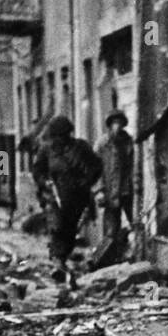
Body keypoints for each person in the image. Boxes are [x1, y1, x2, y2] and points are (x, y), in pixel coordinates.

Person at [31, 115, 102, 282]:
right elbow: (37, 171)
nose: (60, 139)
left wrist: (86, 181)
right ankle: (58, 262)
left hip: (76, 197)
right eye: (57, 136)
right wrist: (45, 182)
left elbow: (96, 166)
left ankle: (62, 259)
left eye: (63, 135)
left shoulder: (81, 147)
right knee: (57, 227)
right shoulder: (46, 150)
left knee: (70, 230)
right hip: (54, 196)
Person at [95, 109, 134, 266]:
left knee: (137, 224)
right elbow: (95, 170)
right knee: (111, 230)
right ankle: (107, 262)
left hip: (127, 191)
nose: (117, 126)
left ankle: (137, 257)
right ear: (110, 125)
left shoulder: (129, 142)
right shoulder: (102, 144)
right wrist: (99, 190)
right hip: (110, 192)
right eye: (114, 123)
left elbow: (134, 165)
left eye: (120, 123)